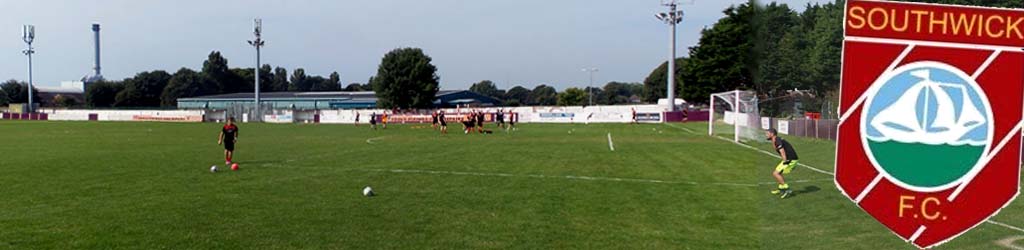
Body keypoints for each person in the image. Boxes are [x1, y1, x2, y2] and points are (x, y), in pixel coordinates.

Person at [766, 128, 799, 199]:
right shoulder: (776, 139)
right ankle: (781, 188)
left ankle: (787, 189)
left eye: (767, 133)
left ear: (772, 134)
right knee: (777, 173)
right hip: (788, 158)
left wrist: (785, 161)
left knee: (776, 173)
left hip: (790, 159)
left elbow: (782, 151)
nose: (766, 135)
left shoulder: (777, 140)